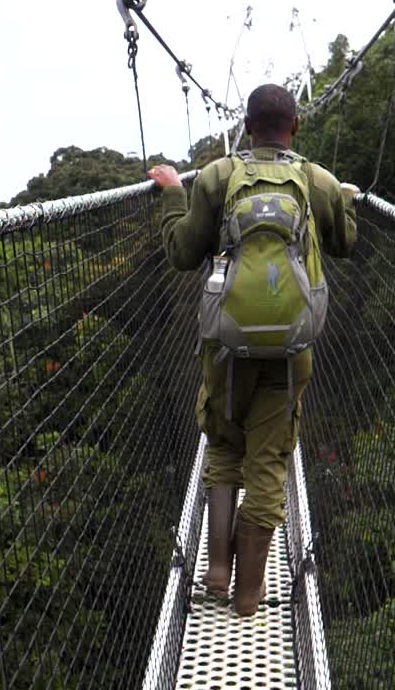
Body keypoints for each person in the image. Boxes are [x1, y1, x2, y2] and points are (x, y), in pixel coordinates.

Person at [147, 84, 358, 617]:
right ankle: (248, 591)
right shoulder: (315, 179)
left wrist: (174, 192)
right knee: (269, 462)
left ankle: (217, 571)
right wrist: (347, 202)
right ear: (295, 128)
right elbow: (343, 244)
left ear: (244, 125)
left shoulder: (219, 175)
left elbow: (182, 253)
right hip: (291, 349)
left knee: (223, 445)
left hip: (226, 345)